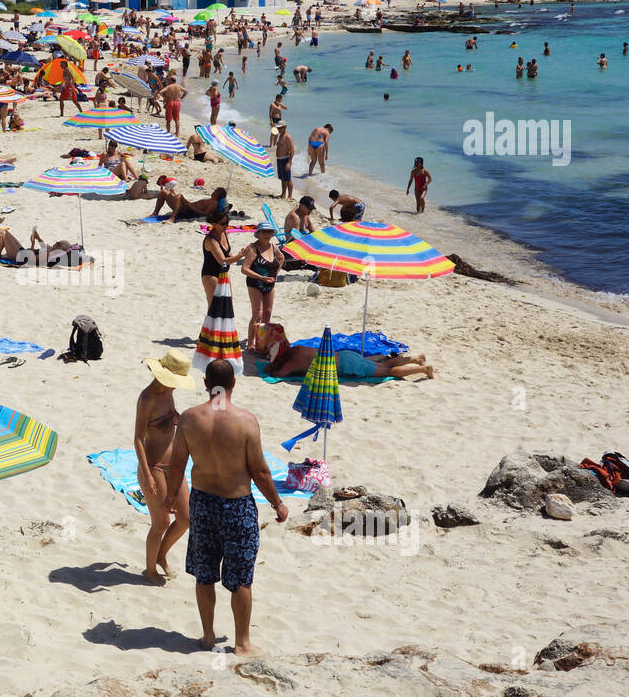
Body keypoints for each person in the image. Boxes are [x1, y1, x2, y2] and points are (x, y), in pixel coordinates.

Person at [165, 359, 289, 654]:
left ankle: (208, 637)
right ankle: (242, 643)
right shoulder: (246, 421)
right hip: (237, 508)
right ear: (234, 383)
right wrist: (278, 503)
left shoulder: (189, 419)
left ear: (207, 385)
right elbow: (259, 471)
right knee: (241, 579)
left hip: (203, 504)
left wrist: (171, 496)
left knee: (204, 574)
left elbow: (177, 465)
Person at [135, 350, 195, 583]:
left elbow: (171, 418)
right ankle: (150, 571)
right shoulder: (147, 399)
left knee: (186, 518)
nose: (174, 386)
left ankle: (161, 555)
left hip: (175, 465)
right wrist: (148, 476)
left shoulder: (168, 394)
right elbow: (138, 439)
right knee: (160, 523)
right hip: (154, 467)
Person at [267, 344, 434, 380]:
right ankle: (416, 359)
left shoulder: (291, 363)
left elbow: (277, 375)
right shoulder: (297, 349)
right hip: (343, 355)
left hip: (346, 365)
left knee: (387, 372)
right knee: (382, 364)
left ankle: (423, 369)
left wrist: (273, 368)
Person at [242, 222, 284, 352]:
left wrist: (275, 274)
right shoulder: (252, 248)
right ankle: (250, 344)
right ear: (258, 234)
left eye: (269, 232)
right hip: (255, 283)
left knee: (268, 313)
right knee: (257, 313)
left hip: (270, 283)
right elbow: (244, 269)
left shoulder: (273, 247)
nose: (267, 234)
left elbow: (282, 258)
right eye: (264, 232)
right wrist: (261, 278)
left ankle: (262, 341)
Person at [200, 210, 248, 307]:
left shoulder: (224, 233)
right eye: (222, 224)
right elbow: (222, 261)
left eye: (227, 222)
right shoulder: (211, 240)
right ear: (214, 224)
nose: (226, 226)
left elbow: (228, 254)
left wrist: (242, 256)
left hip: (224, 273)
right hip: (211, 275)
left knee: (227, 305)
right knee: (214, 308)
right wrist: (240, 256)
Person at [0, 227, 84, 267]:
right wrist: (37, 237)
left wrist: (32, 244)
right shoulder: (52, 252)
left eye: (56, 242)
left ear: (58, 246)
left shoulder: (49, 255)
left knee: (2, 233)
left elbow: (30, 259)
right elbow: (43, 245)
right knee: (6, 233)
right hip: (23, 252)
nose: (54, 243)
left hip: (19, 257)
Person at [274, 123, 295, 200]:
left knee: (288, 179)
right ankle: (283, 194)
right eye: (278, 128)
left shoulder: (287, 137)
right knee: (282, 178)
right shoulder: (280, 136)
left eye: (280, 128)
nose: (278, 129)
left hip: (285, 159)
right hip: (279, 159)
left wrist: (289, 162)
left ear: (284, 127)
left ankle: (290, 196)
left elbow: (292, 150)